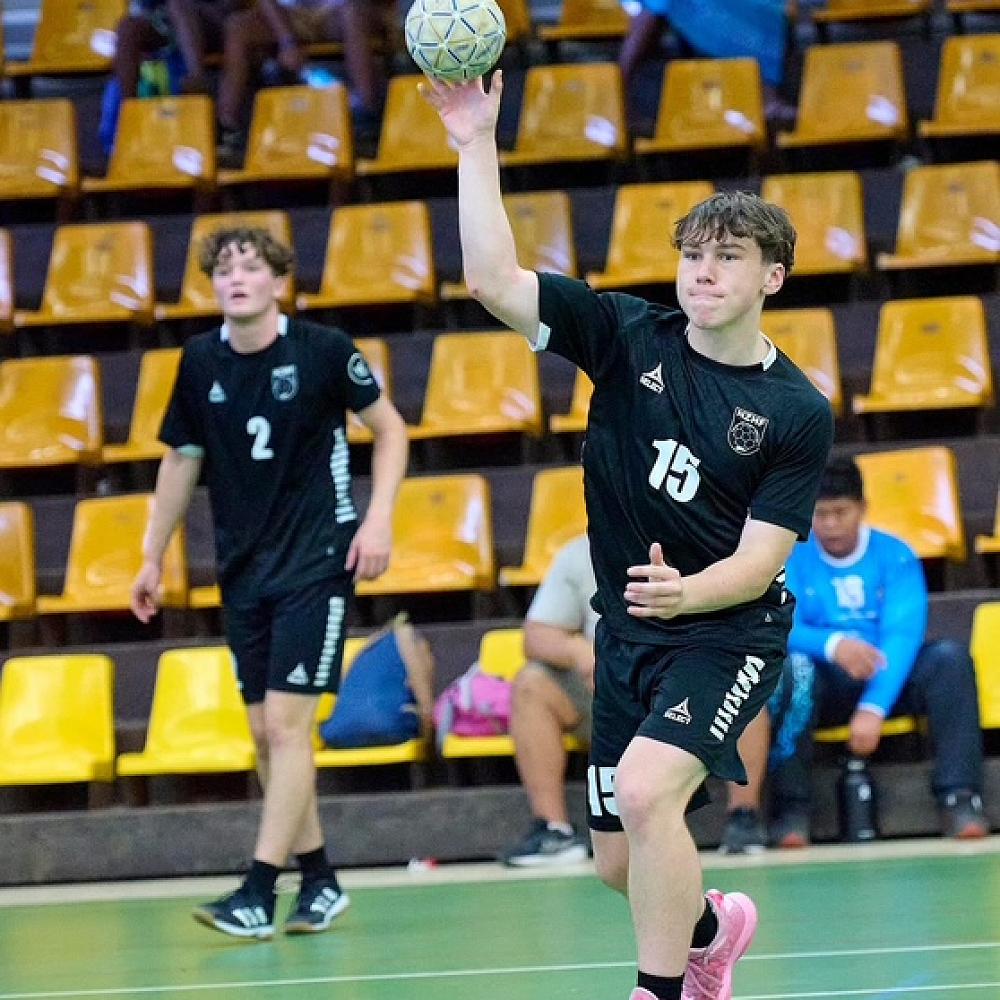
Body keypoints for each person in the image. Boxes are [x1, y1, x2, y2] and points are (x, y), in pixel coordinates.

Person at [420, 72, 834, 1000]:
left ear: (772, 277)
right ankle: (711, 931)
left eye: (727, 257)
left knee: (650, 796)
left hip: (728, 632)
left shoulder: (795, 411)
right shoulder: (626, 336)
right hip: (629, 635)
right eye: (692, 254)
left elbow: (764, 558)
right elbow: (492, 279)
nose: (703, 270)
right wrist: (472, 141)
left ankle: (662, 990)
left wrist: (690, 593)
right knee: (619, 860)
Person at [131, 226, 408, 940]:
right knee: (264, 733)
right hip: (243, 568)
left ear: (279, 281)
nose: (236, 279)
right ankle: (319, 879)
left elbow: (392, 429)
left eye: (251, 267)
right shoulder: (198, 362)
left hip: (318, 561)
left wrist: (377, 521)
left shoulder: (322, 352)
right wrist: (151, 555)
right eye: (224, 269)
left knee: (287, 730)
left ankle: (258, 890)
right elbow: (179, 462)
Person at [721, 457, 989, 849]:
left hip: (885, 676)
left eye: (840, 513)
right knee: (791, 670)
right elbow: (777, 622)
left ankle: (959, 797)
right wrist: (833, 645)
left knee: (949, 660)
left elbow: (903, 633)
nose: (829, 524)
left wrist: (874, 706)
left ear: (862, 508)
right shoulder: (791, 556)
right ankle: (792, 809)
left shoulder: (895, 555)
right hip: (822, 680)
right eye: (820, 514)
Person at [502, 535, 598, 867]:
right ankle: (554, 831)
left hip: (683, 689)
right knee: (532, 685)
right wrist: (578, 651)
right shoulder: (580, 552)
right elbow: (536, 635)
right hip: (604, 695)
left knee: (741, 677)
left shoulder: (699, 537)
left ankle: (743, 819)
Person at [216, 0, 388, 161]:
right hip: (290, 15)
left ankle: (366, 114)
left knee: (354, 13)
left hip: (337, 10)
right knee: (237, 26)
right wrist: (287, 40)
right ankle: (228, 130)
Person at [114, 1, 248, 99]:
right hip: (168, 20)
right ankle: (129, 110)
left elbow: (233, 6)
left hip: (217, 21)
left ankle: (197, 80)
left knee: (179, 4)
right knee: (128, 28)